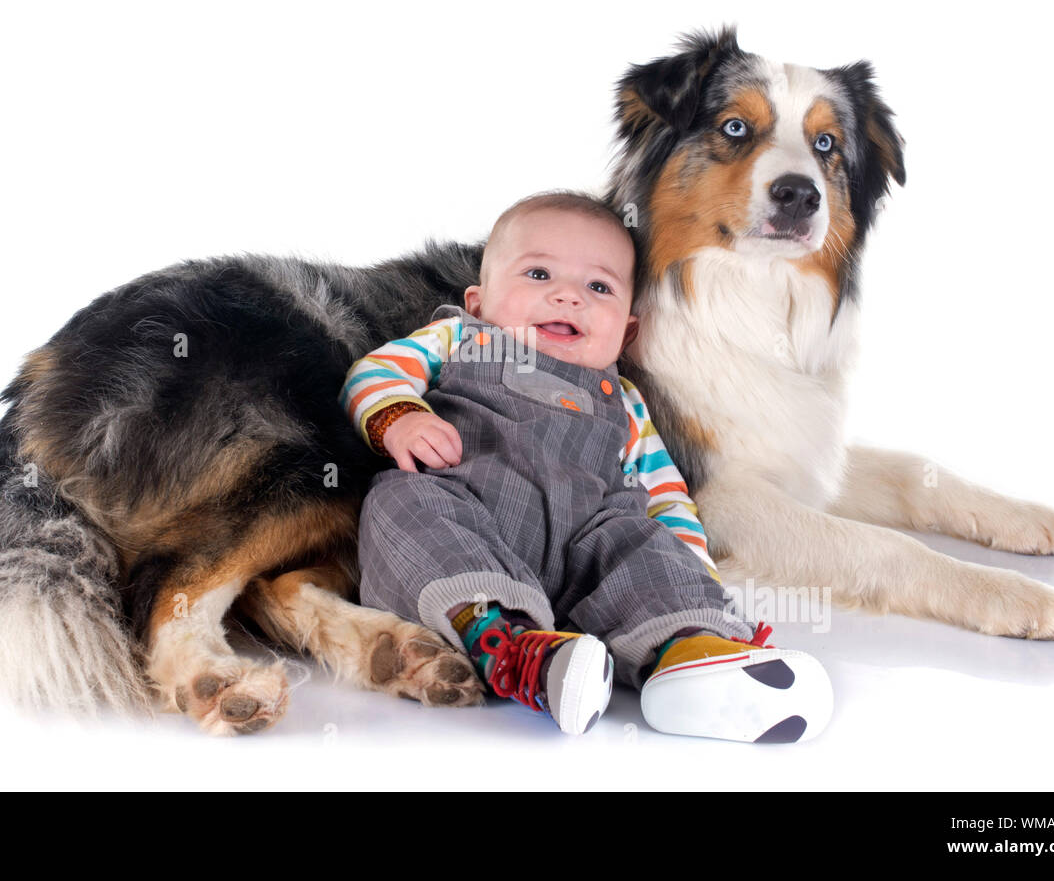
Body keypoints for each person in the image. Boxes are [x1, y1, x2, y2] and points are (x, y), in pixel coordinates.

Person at [339, 190, 832, 741]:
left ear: (624, 334)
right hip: (468, 506)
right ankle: (509, 644)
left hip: (588, 540)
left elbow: (666, 495)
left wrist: (692, 573)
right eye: (539, 275)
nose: (568, 297)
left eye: (598, 287)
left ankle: (692, 648)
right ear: (478, 303)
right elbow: (372, 373)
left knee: (642, 542)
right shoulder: (460, 336)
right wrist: (399, 417)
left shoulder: (624, 400)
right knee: (401, 502)